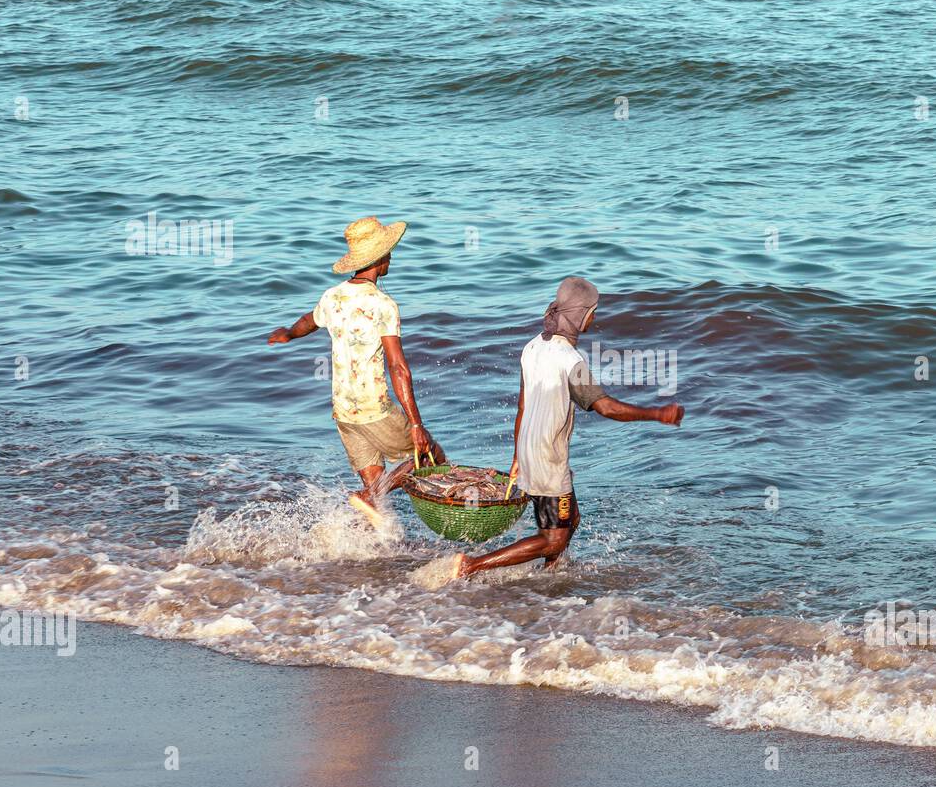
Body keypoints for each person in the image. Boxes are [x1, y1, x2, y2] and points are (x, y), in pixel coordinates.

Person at [455, 276, 684, 579]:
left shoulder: (533, 346)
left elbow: (522, 406)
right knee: (553, 538)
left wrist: (517, 456)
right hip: (548, 456)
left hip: (529, 448)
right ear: (582, 315)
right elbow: (606, 407)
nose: (595, 317)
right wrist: (657, 414)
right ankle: (471, 566)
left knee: (570, 519)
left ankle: (550, 576)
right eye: (593, 312)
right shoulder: (570, 359)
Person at [266, 216, 444, 528]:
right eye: (389, 252)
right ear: (380, 259)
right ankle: (369, 495)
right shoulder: (383, 304)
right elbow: (398, 366)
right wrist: (416, 424)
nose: (392, 257)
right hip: (374, 408)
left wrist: (289, 334)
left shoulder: (332, 296)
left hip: (343, 411)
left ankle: (366, 550)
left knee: (379, 506)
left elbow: (309, 320)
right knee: (431, 457)